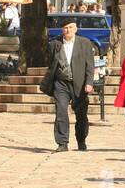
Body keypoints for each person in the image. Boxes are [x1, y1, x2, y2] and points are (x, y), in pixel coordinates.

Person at [39, 20, 96, 152]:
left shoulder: (84, 43)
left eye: (70, 27)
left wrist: (89, 82)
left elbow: (90, 65)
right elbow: (50, 62)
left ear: (76, 29)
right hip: (61, 83)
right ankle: (62, 142)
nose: (68, 30)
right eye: (65, 28)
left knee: (81, 114)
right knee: (61, 110)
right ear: (62, 30)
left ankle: (81, 140)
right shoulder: (55, 44)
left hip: (80, 83)